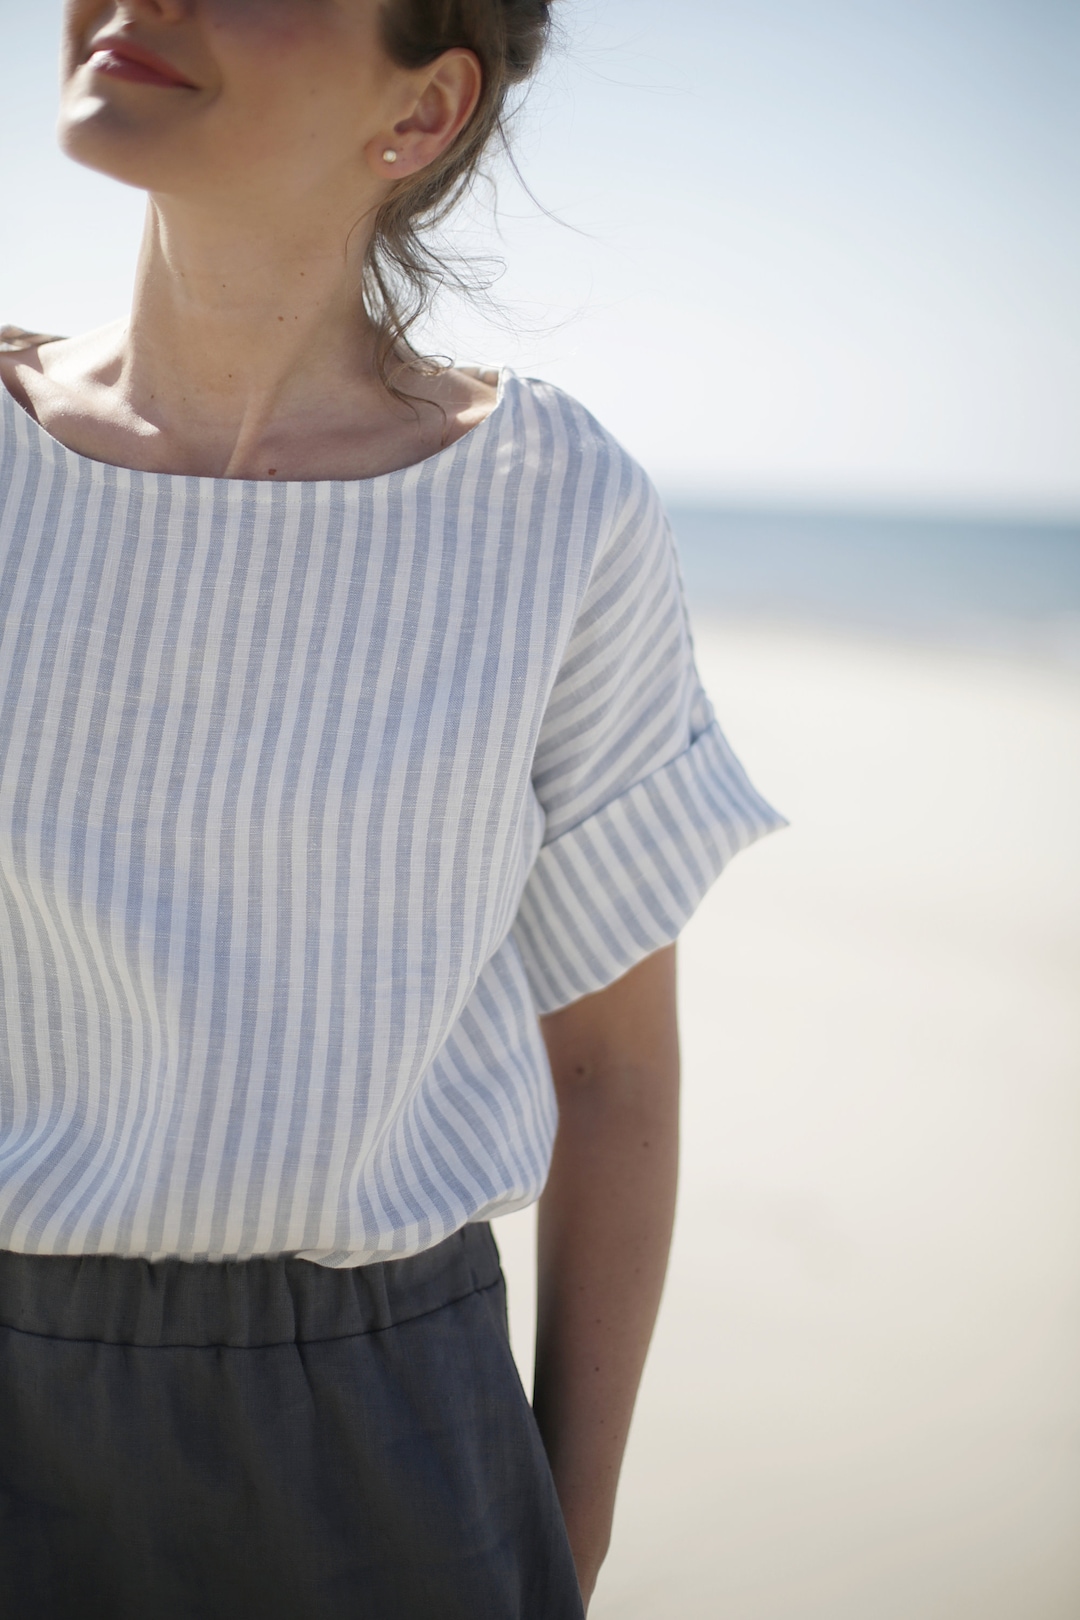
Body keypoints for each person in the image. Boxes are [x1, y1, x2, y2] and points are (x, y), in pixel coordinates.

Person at [0, 3, 783, 1616]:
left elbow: (613, 1072)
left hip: (386, 1440)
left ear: (423, 110)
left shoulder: (555, 508)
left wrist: (558, 1533)